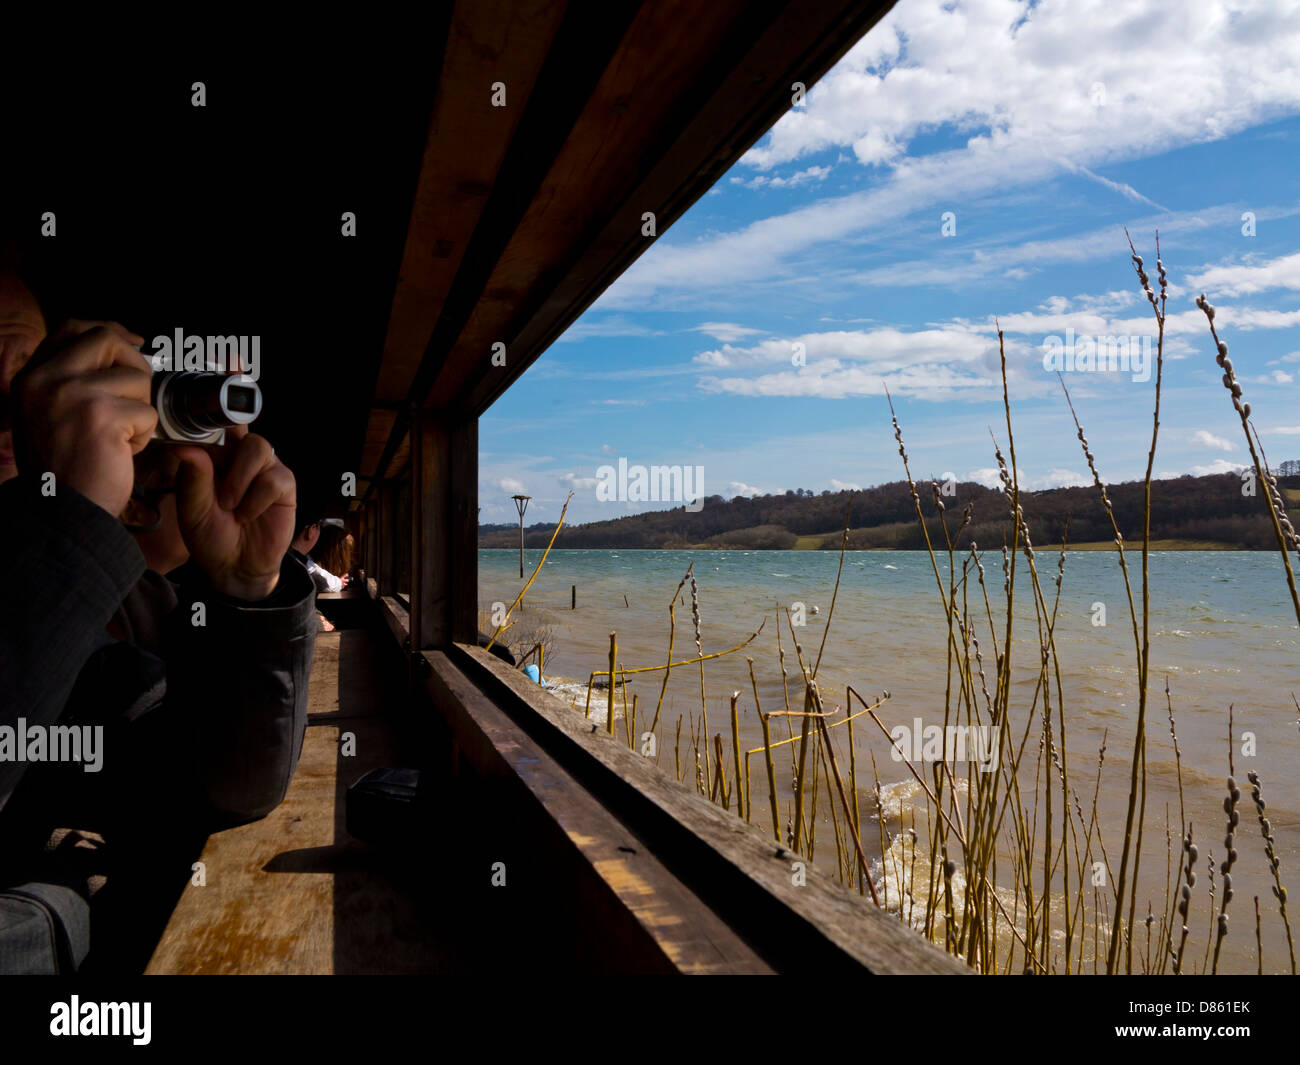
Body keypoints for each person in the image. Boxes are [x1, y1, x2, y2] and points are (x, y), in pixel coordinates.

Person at [0, 271, 316, 970]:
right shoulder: (52, 580)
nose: (17, 418)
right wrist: (63, 523)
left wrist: (252, 595)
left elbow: (219, 788)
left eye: (30, 382)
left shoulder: (75, 631)